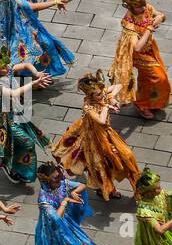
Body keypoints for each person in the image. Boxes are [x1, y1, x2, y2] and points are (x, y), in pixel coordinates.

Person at [52, 71, 139, 200]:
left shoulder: (102, 94)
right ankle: (106, 189)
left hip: (107, 135)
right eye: (98, 94)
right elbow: (101, 121)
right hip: (94, 139)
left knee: (128, 156)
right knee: (100, 166)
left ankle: (138, 186)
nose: (102, 94)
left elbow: (119, 85)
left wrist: (112, 97)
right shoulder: (88, 107)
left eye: (101, 92)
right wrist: (106, 106)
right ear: (90, 95)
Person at [32, 162, 112, 245]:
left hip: (66, 225)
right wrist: (65, 201)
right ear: (46, 181)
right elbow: (55, 219)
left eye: (59, 176)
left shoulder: (62, 184)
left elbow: (82, 186)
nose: (60, 179)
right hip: (51, 231)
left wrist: (74, 192)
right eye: (55, 178)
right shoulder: (43, 199)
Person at [110, 0, 169, 118]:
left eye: (143, 4)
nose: (143, 8)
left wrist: (160, 16)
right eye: (139, 6)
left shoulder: (146, 7)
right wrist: (148, 29)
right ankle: (141, 104)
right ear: (130, 6)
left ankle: (149, 102)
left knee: (148, 78)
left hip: (150, 48)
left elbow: (158, 15)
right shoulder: (129, 23)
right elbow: (137, 47)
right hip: (138, 54)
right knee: (159, 77)